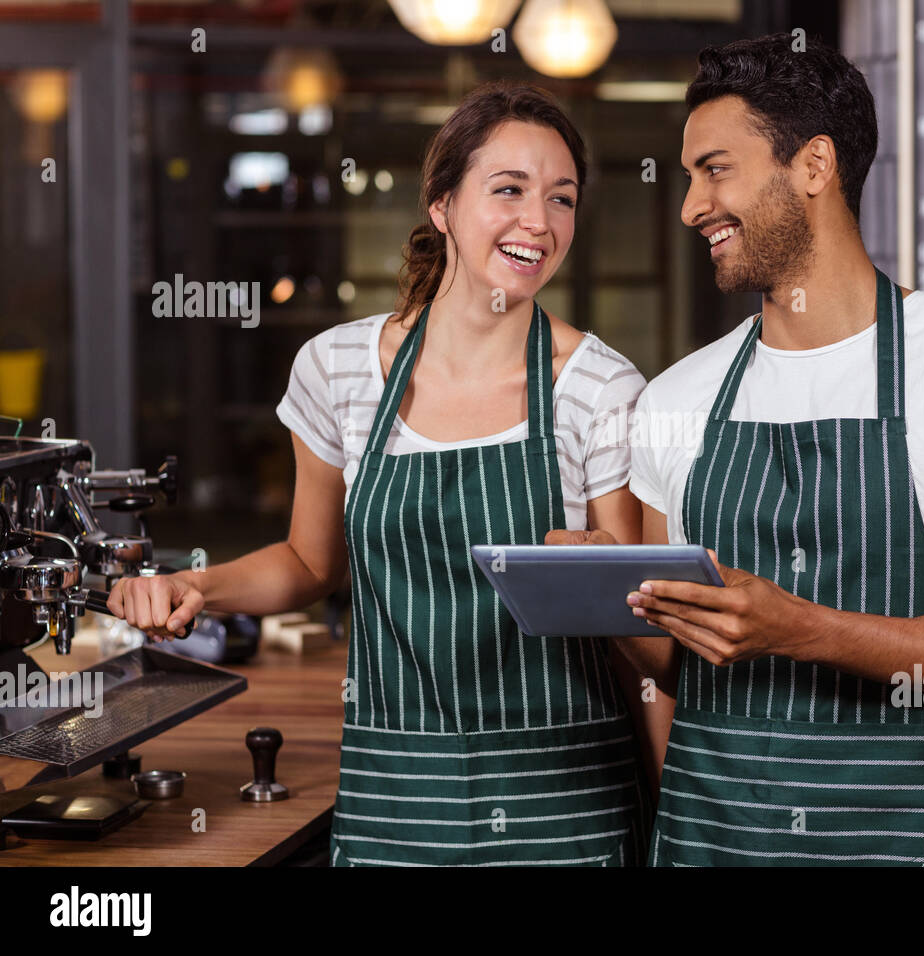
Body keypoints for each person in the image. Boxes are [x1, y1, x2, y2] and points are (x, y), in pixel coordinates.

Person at [107, 81, 656, 866]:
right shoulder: (337, 369)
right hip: (396, 796)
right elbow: (309, 563)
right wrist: (202, 587)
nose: (540, 221)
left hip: (563, 800)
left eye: (562, 198)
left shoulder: (601, 387)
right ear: (442, 205)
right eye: (509, 190)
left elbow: (635, 619)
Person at [620, 34, 924, 866]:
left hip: (912, 842)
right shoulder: (676, 399)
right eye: (689, 177)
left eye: (714, 169)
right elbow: (672, 665)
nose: (691, 206)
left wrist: (802, 629)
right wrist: (599, 598)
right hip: (711, 843)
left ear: (814, 164)